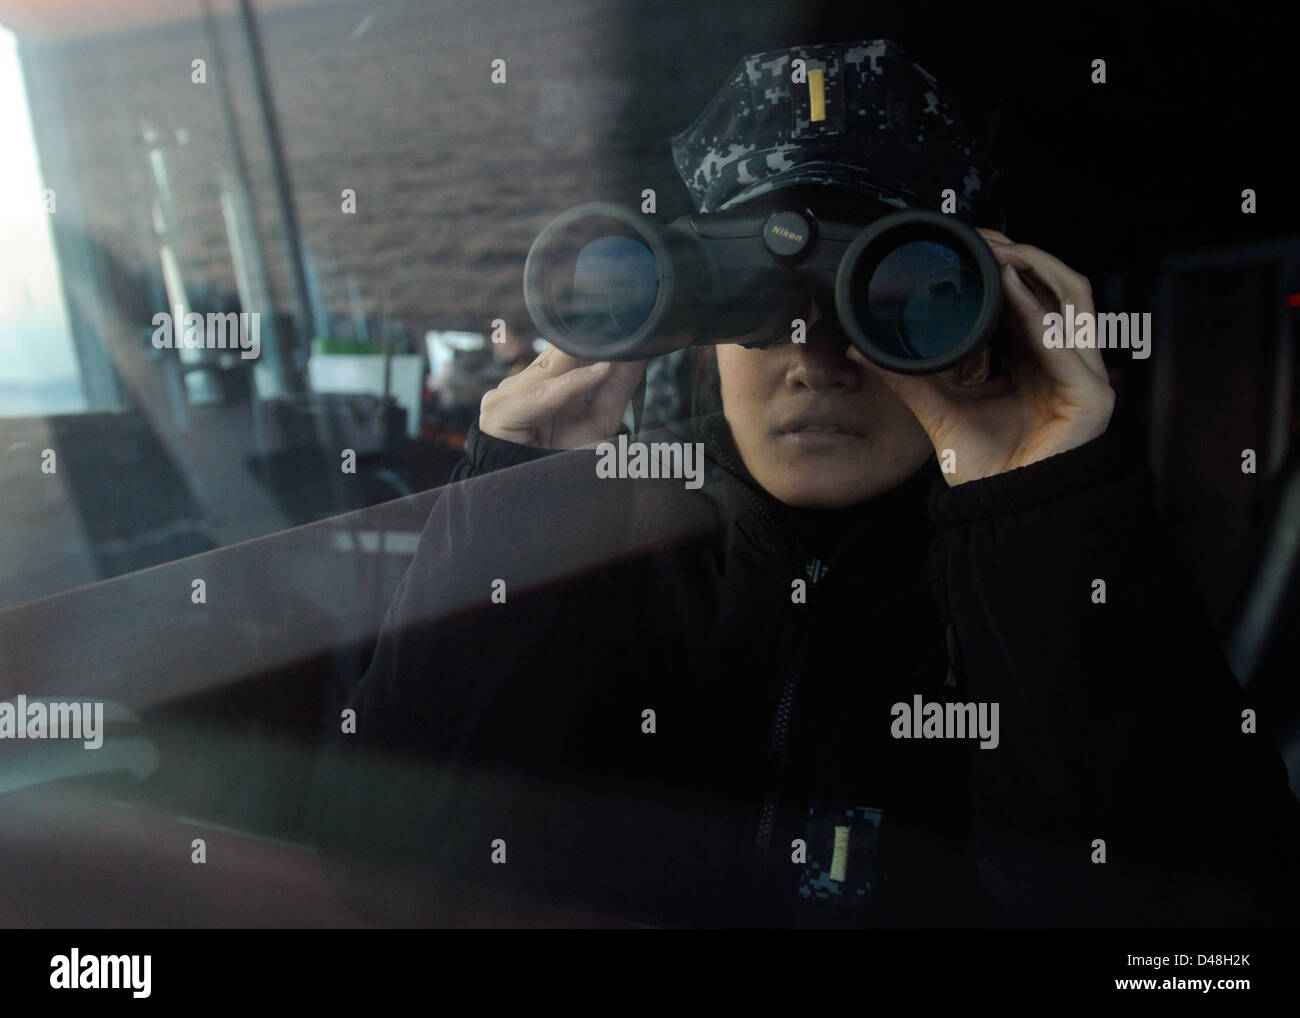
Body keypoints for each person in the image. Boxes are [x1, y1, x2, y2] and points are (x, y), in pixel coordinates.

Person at [312, 40, 1300, 928]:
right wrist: (515, 494)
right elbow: (382, 872)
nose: (818, 358)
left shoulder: (1060, 578)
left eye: (899, 301)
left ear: (988, 327)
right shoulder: (605, 565)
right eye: (759, 302)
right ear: (695, 328)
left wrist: (1049, 516)